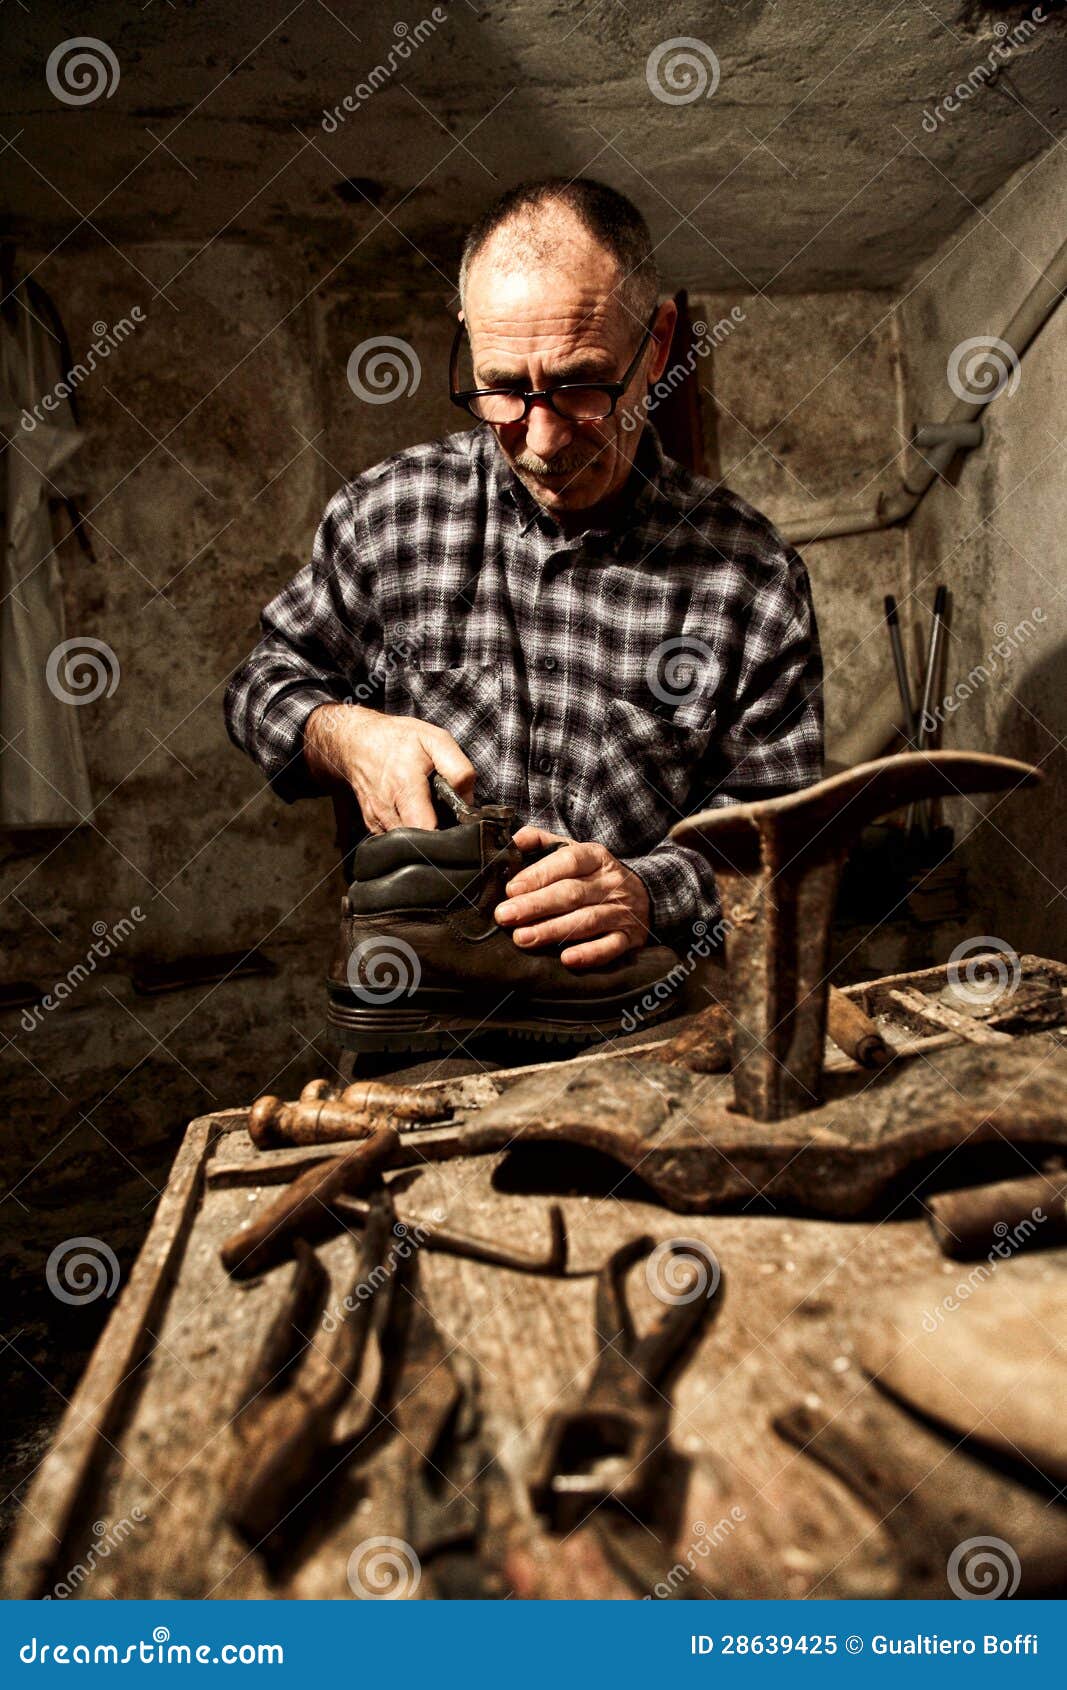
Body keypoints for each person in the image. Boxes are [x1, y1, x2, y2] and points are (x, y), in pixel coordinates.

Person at [225, 177, 823, 970]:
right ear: (469, 336)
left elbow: (781, 839)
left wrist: (649, 893)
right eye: (504, 388)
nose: (541, 438)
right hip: (423, 1001)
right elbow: (259, 684)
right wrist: (344, 733)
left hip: (642, 1011)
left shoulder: (751, 576)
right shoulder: (386, 515)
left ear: (658, 344)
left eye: (580, 384)